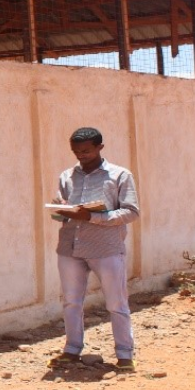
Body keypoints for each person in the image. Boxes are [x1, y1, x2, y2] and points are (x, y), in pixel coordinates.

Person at [49, 127, 141, 372]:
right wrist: (63, 210)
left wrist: (92, 216)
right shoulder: (67, 176)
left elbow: (131, 212)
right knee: (71, 302)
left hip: (106, 248)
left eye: (87, 151)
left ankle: (124, 355)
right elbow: (63, 213)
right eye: (77, 152)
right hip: (70, 247)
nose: (81, 156)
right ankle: (71, 349)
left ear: (100, 147)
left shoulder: (120, 175)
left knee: (116, 303)